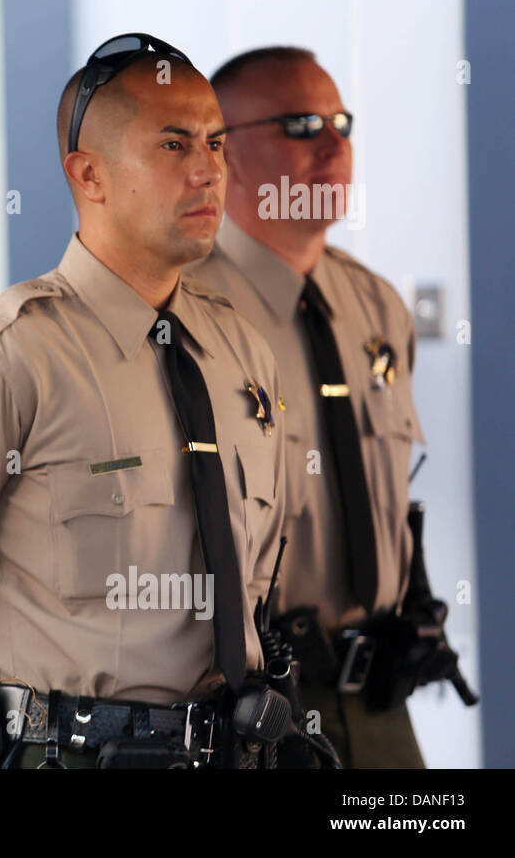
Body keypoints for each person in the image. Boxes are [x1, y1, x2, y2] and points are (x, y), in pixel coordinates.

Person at [0, 35, 289, 768]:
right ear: (89, 175)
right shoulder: (3, 356)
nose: (209, 169)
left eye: (215, 144)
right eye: (174, 145)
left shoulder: (245, 352)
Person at [187, 47, 427, 768]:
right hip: (252, 714)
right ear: (221, 152)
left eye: (340, 121)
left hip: (381, 699)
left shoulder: (375, 304)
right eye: (300, 124)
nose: (334, 144)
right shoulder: (183, 311)